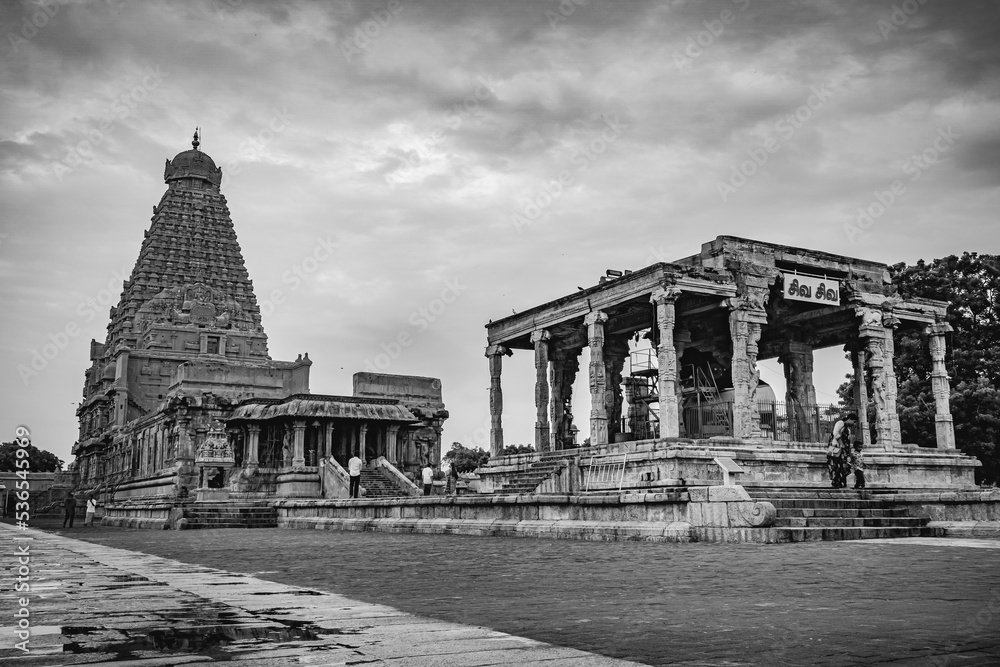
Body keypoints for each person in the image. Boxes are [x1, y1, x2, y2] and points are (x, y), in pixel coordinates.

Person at [827, 413, 857, 489]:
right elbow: (835, 433)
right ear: (849, 419)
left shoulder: (848, 429)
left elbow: (848, 440)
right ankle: (836, 482)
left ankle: (841, 482)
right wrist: (841, 443)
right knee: (835, 465)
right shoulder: (840, 423)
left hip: (843, 450)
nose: (853, 424)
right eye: (853, 421)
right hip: (835, 447)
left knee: (843, 466)